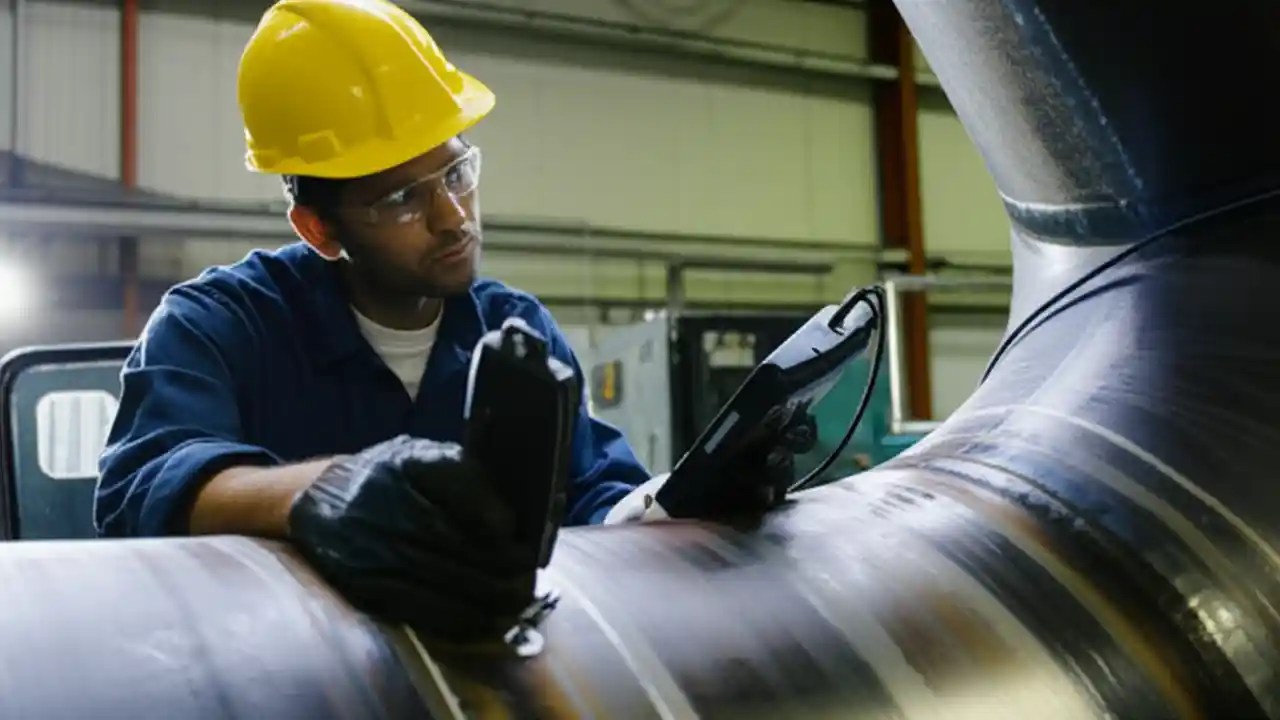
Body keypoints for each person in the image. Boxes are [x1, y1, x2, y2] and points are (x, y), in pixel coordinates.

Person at [94, 0, 810, 641]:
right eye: (403, 198)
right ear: (318, 228)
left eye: (457, 173)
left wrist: (690, 499)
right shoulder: (220, 324)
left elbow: (592, 495)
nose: (453, 216)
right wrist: (325, 490)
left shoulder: (513, 328)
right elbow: (143, 487)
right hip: (291, 675)